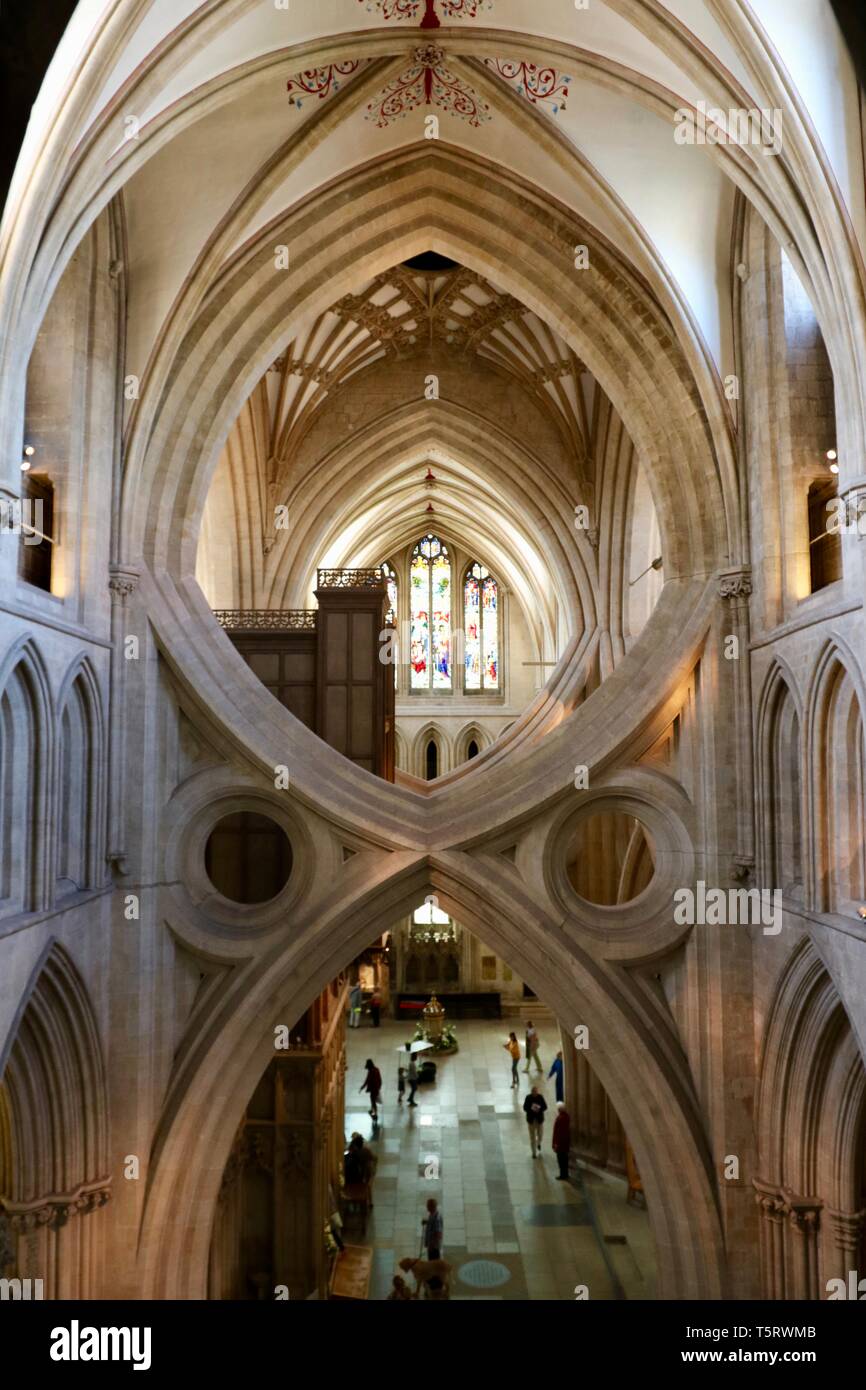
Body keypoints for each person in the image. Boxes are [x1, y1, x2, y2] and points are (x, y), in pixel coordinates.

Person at [523, 1084, 547, 1156]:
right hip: (531, 1121)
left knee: (540, 1135)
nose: (535, 1093)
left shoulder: (540, 1097)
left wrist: (539, 1109)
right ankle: (533, 1153)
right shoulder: (528, 1098)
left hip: (539, 1120)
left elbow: (545, 1107)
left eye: (536, 1092)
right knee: (532, 1137)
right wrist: (532, 1109)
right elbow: (525, 1108)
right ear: (531, 1092)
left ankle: (538, 1143)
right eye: (534, 1092)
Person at [552, 1101, 571, 1180]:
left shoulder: (560, 1118)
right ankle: (565, 1174)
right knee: (565, 1159)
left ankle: (563, 1175)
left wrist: (556, 1143)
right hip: (566, 1142)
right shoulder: (567, 1116)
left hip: (561, 1143)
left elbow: (559, 1132)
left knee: (561, 1160)